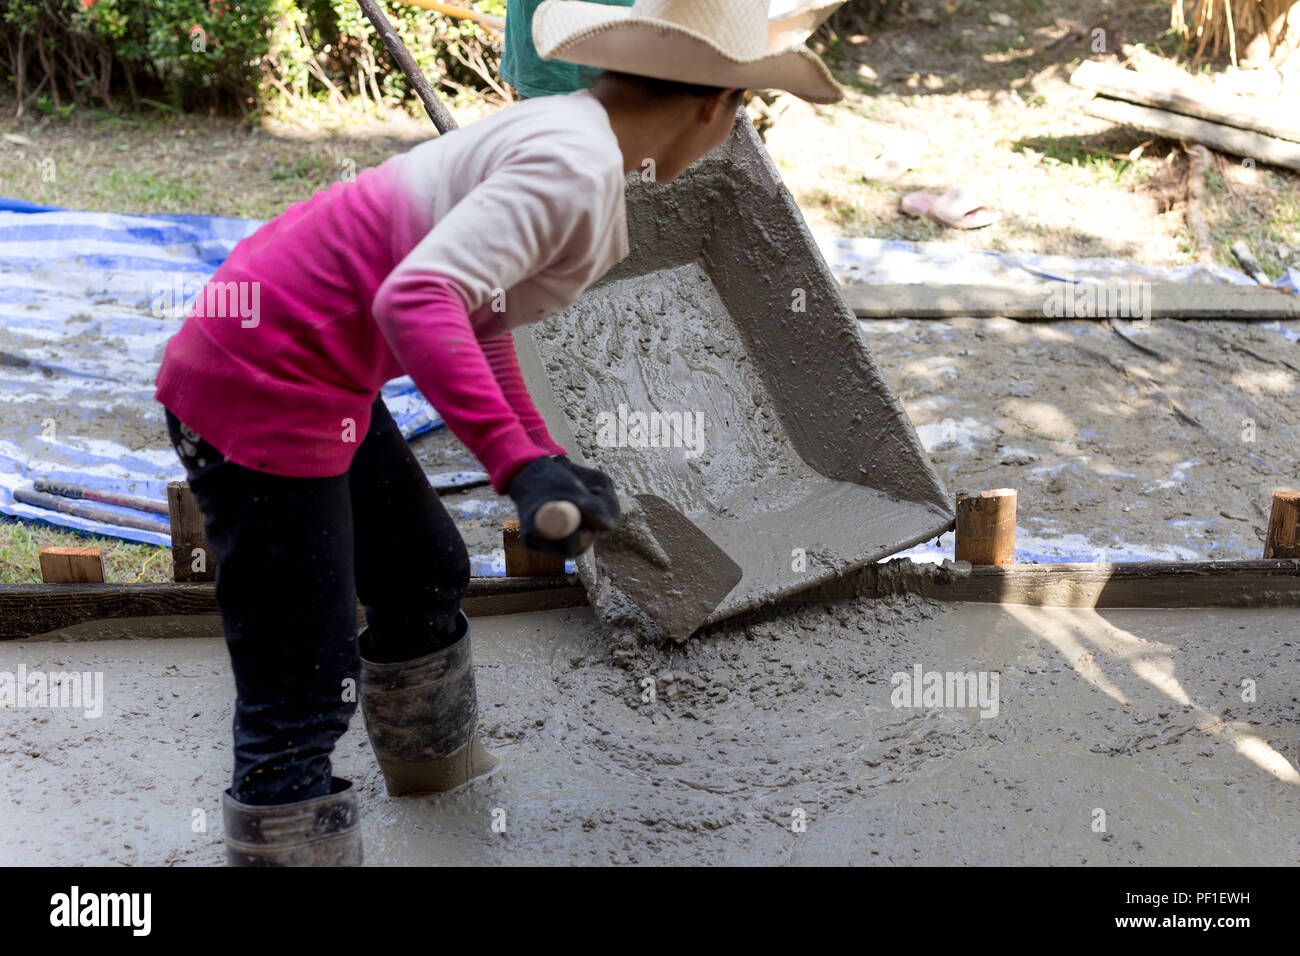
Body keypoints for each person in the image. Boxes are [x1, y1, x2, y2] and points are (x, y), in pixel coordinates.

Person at [154, 0, 842, 866]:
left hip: (313, 365)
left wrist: (540, 456)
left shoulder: (567, 135)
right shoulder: (571, 168)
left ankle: (433, 768)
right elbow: (416, 300)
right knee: (301, 680)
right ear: (716, 105)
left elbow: (481, 315)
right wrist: (516, 466)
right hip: (255, 380)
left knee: (421, 569)